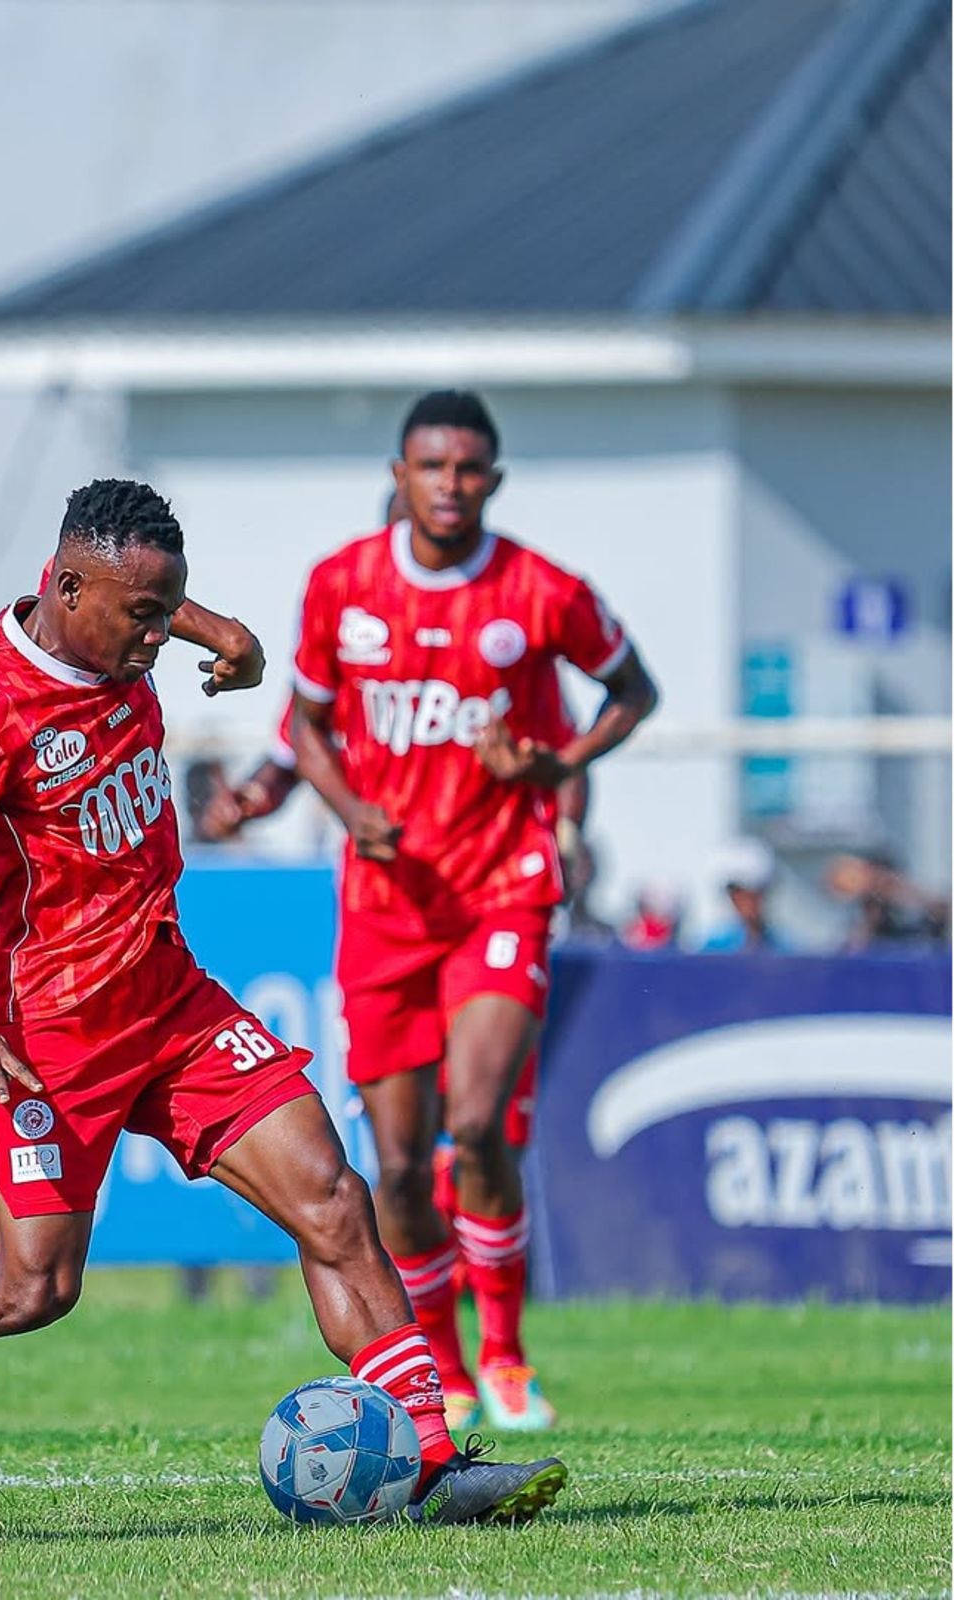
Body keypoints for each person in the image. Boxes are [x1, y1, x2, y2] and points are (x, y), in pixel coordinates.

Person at [0, 478, 567, 1527]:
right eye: (145, 618)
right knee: (34, 1292)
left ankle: (429, 1461)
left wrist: (225, 632)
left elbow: (147, 596)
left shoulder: (113, 613)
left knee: (333, 1197)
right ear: (68, 591)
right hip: (50, 1038)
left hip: (173, 1000)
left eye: (171, 615)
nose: (159, 640)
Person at [289, 391, 658, 1433]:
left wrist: (562, 762)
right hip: (385, 901)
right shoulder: (339, 586)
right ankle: (444, 1366)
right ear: (400, 474)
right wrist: (348, 808)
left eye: (469, 470)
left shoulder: (539, 590)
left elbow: (633, 688)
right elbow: (306, 725)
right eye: (432, 467)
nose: (450, 485)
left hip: (503, 885)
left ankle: (505, 1353)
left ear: (492, 480)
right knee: (399, 1165)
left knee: (476, 1124)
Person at [699, 839, 788, 952]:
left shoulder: (783, 947)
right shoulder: (712, 947)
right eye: (737, 891)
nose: (747, 901)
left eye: (755, 892)